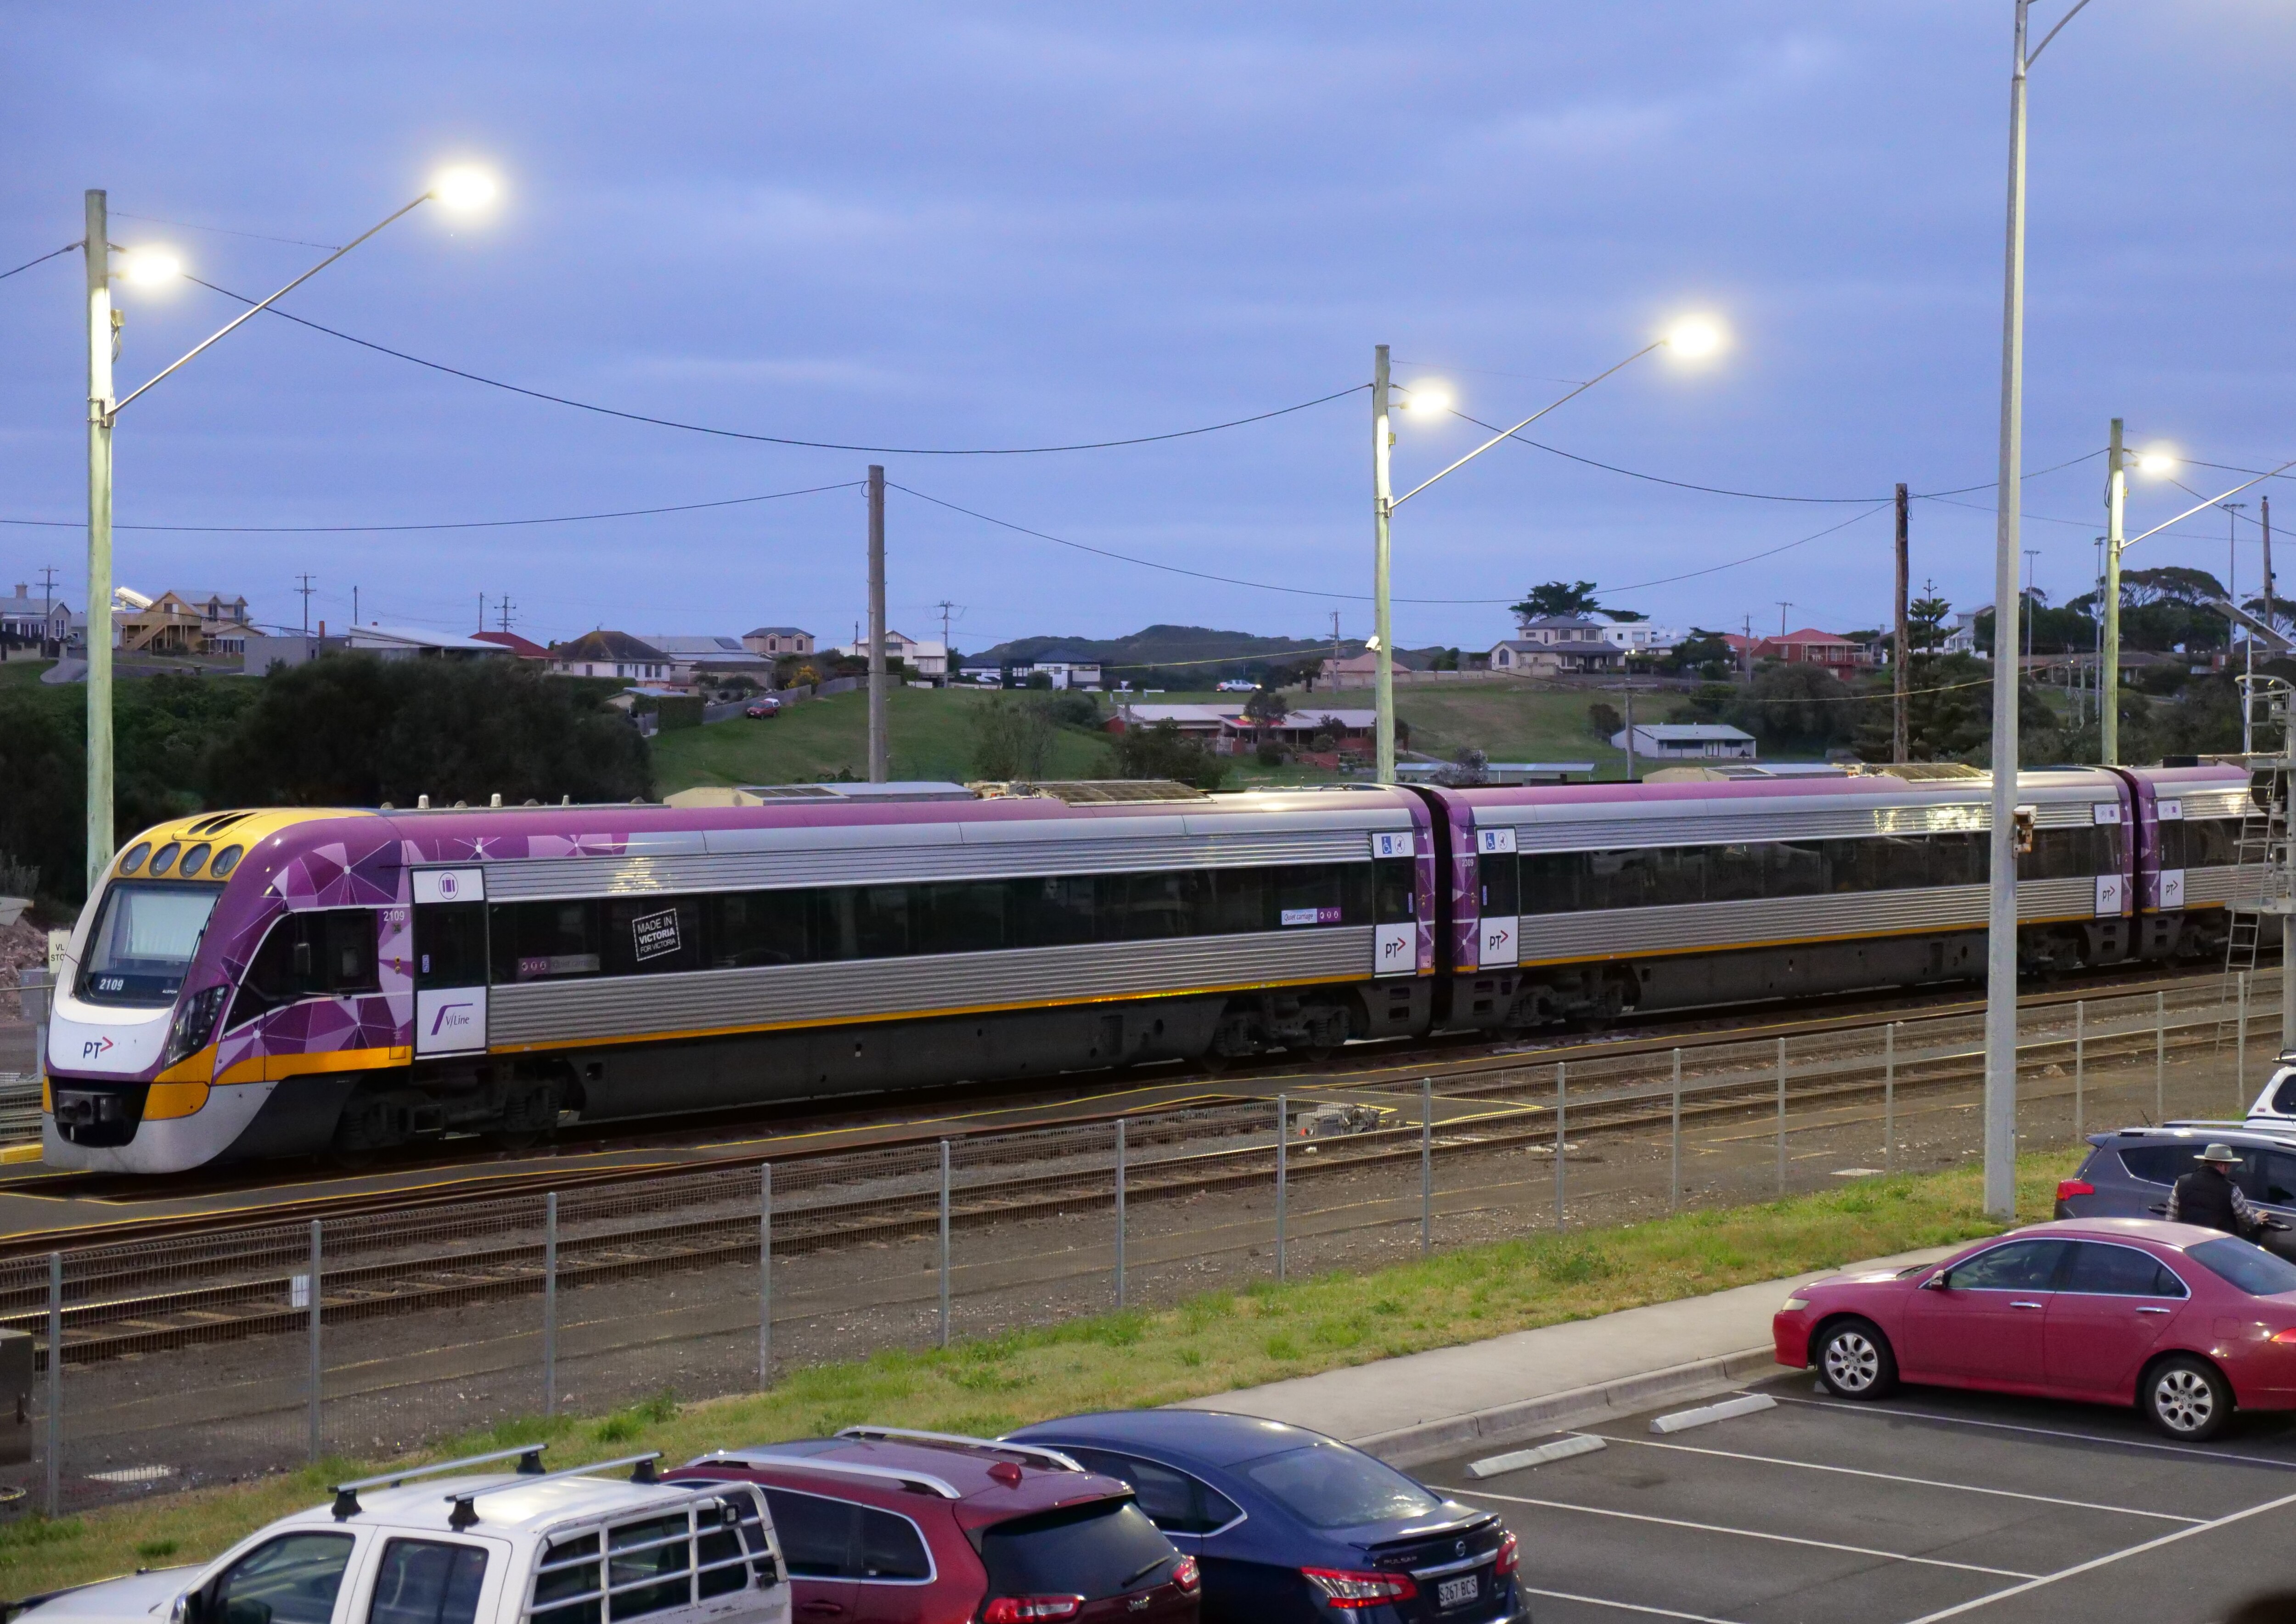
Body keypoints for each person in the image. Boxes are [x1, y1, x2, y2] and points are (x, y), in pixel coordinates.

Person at [2167, 1143, 2268, 1239]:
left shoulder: (2181, 1182)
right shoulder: (2231, 1189)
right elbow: (2246, 1216)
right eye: (2229, 1165)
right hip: (2217, 1244)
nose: (2230, 1168)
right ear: (2221, 1165)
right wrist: (2256, 1219)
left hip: (2187, 1241)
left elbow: (2171, 1218)